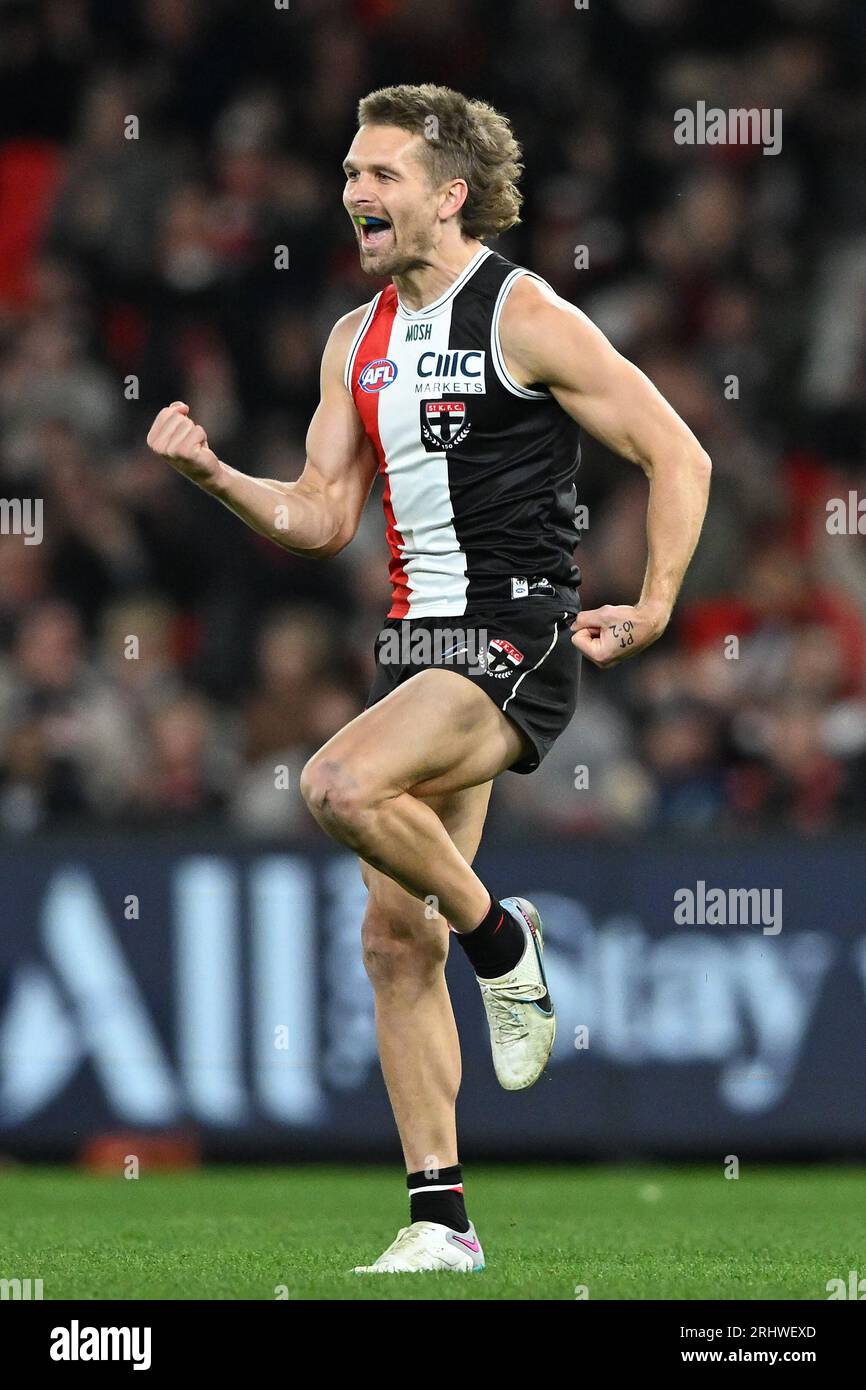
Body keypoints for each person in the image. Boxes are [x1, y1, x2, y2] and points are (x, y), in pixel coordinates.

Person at [147, 83, 711, 1274]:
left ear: (448, 196)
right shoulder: (353, 341)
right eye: (351, 172)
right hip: (414, 648)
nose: (355, 191)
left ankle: (504, 940)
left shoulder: (523, 313)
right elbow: (316, 516)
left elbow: (677, 449)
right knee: (394, 941)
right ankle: (439, 1223)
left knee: (338, 781)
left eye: (381, 174)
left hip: (515, 638)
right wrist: (213, 476)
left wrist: (655, 604)